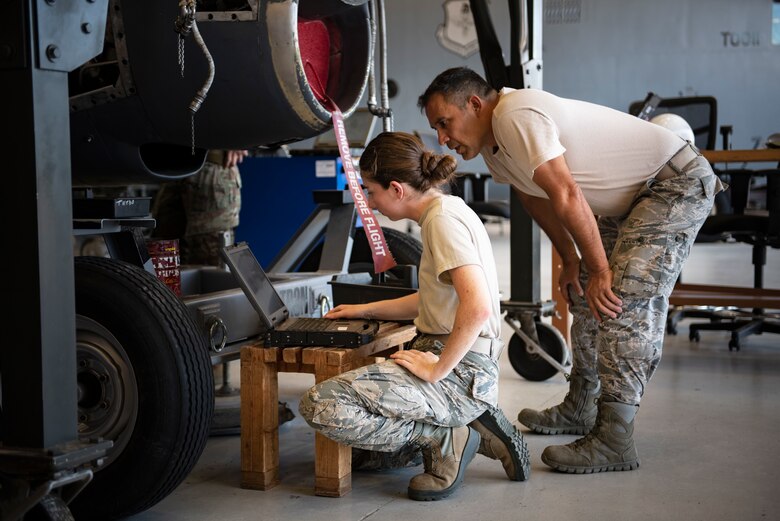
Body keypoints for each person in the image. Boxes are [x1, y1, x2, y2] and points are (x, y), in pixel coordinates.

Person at [418, 67, 724, 474]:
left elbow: (566, 191)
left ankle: (616, 437)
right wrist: (574, 261)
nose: (442, 138)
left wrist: (599, 268)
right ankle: (582, 403)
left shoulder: (514, 114)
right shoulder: (495, 148)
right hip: (629, 199)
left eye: (444, 123)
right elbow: (536, 199)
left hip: (671, 182)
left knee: (623, 297)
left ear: (474, 105)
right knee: (583, 289)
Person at [298, 131, 530, 501]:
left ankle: (447, 436)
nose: (371, 203)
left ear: (396, 189)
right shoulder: (446, 210)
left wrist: (437, 370)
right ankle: (462, 421)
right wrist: (363, 309)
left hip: (458, 369)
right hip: (458, 358)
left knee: (322, 405)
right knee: (367, 458)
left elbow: (478, 307)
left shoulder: (442, 222)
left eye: (371, 192)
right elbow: (433, 298)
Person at [152, 149, 248, 265]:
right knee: (164, 264)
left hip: (212, 171)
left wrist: (240, 138)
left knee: (208, 265)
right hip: (173, 171)